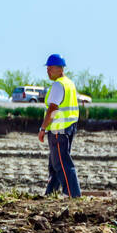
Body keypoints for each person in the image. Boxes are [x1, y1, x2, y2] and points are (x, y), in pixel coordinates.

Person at [37, 53, 81, 198]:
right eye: (47, 68)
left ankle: (72, 195)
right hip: (68, 127)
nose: (48, 71)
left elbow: (52, 109)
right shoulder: (69, 83)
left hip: (59, 129)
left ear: (60, 69)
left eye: (50, 68)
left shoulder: (58, 85)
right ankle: (51, 193)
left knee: (61, 164)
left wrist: (43, 128)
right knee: (55, 163)